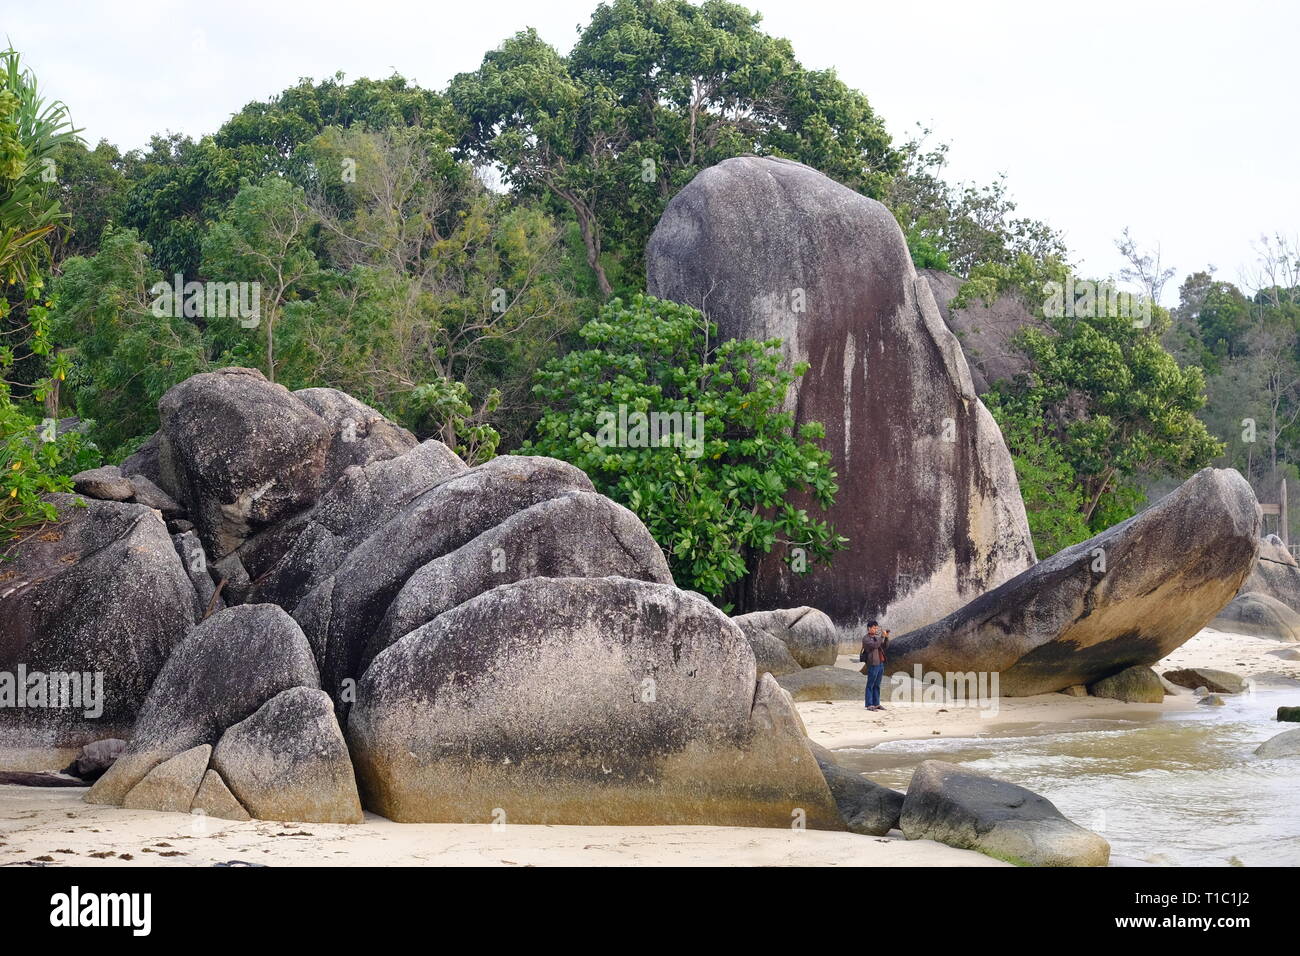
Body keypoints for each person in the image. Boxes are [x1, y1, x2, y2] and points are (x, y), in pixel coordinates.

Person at [860, 620, 888, 711]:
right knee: (870, 684)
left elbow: (885, 646)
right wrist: (882, 637)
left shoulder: (876, 638)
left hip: (880, 663)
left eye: (876, 628)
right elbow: (875, 645)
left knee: (877, 685)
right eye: (874, 628)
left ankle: (876, 703)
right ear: (869, 628)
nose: (876, 629)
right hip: (872, 664)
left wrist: (886, 638)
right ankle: (869, 704)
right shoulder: (866, 639)